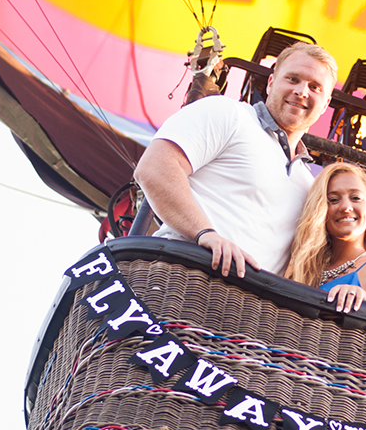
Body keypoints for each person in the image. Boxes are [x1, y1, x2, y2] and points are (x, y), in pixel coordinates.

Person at [133, 42, 337, 277]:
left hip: (242, 307)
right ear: (271, 83)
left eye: (315, 87)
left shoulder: (308, 183)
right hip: (183, 277)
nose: (302, 91)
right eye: (292, 79)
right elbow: (154, 167)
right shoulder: (230, 114)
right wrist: (205, 234)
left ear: (325, 105)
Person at [284, 163, 366, 312]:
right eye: (333, 199)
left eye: (355, 197)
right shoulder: (300, 269)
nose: (345, 207)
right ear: (320, 210)